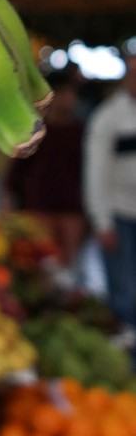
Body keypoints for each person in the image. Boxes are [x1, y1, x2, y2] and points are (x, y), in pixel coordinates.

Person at [6, 66, 85, 268]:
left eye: (71, 93)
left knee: (70, 263)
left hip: (72, 205)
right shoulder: (36, 130)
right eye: (64, 93)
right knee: (43, 259)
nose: (69, 99)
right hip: (40, 204)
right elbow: (17, 170)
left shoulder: (80, 131)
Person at [83, 53, 136, 332]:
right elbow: (96, 171)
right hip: (120, 214)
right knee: (125, 290)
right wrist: (101, 220)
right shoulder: (108, 116)